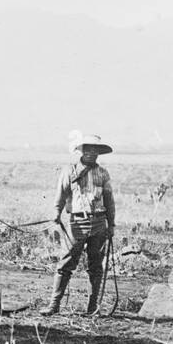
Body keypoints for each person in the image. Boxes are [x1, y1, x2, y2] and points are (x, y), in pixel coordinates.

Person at [41, 130, 116, 316]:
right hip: (77, 223)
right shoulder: (70, 171)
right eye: (88, 149)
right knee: (65, 264)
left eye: (95, 150)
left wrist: (111, 225)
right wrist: (56, 214)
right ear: (82, 150)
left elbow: (109, 200)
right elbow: (61, 194)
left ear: (99, 153)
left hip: (99, 223)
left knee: (96, 266)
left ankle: (93, 307)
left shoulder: (103, 174)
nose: (92, 153)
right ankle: (54, 305)